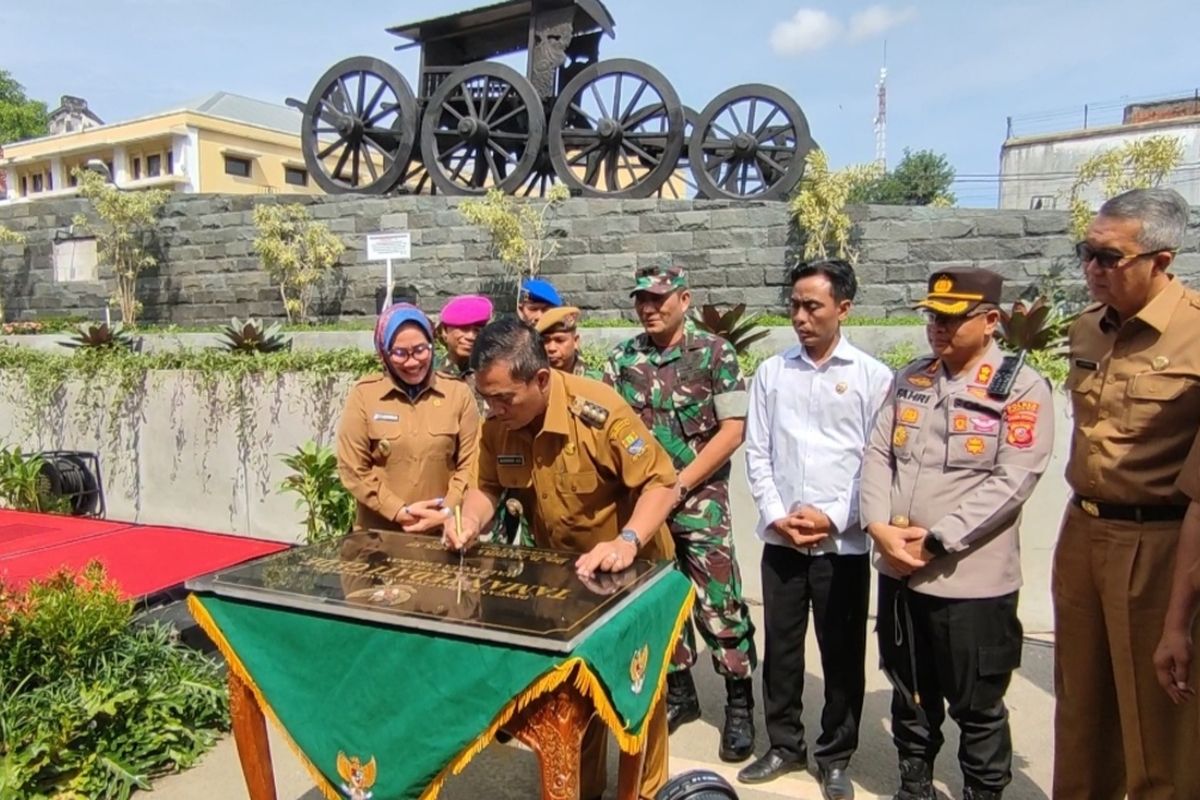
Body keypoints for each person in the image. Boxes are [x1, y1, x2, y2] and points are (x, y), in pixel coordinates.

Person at [443, 317, 679, 800]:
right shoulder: (499, 428)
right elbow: (488, 488)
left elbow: (662, 482)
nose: (495, 408)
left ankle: (648, 793)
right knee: (575, 698)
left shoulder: (598, 412)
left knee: (639, 696)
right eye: (487, 398)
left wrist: (627, 540)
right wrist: (468, 522)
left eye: (505, 397)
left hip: (633, 571)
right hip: (566, 581)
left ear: (541, 379)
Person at [860, 267, 1054, 800]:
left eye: (953, 318)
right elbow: (877, 455)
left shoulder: (1019, 386)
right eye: (933, 318)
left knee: (978, 703)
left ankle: (982, 791)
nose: (938, 329)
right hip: (900, 571)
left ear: (991, 321)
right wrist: (879, 527)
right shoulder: (912, 378)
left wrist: (938, 539)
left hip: (970, 581)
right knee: (910, 691)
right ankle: (914, 785)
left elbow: (1016, 478)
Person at [1053, 187, 1200, 800]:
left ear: (1161, 261)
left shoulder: (1196, 334)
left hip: (1160, 544)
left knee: (1157, 723)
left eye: (1109, 258)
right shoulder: (1086, 330)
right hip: (1083, 531)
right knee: (1081, 710)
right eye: (1086, 253)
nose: (1092, 268)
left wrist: (1180, 613)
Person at [738, 260, 891, 799]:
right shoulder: (772, 373)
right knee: (780, 648)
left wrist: (835, 516)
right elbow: (758, 452)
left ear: (843, 309)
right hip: (782, 540)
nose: (800, 317)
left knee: (841, 652)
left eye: (813, 306)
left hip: (842, 545)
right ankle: (783, 744)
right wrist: (779, 513)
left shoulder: (873, 377)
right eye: (795, 305)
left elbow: (878, 463)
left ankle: (834, 755)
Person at [603, 264, 757, 763]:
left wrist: (681, 483)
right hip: (645, 505)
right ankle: (681, 692)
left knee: (719, 601)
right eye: (641, 301)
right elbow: (609, 429)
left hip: (700, 502)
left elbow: (732, 430)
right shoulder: (622, 359)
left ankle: (738, 702)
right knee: (661, 601)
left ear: (684, 300)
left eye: (659, 299)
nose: (649, 308)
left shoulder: (715, 354)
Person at [336, 303, 479, 534]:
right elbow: (353, 468)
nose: (412, 362)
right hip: (379, 538)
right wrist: (399, 511)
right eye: (400, 353)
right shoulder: (364, 395)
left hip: (444, 533)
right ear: (384, 352)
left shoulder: (457, 393)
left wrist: (446, 510)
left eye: (421, 349)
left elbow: (472, 463)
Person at [437, 294, 493, 382]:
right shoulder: (431, 374)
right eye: (463, 328)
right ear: (444, 331)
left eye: (477, 330)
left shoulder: (491, 372)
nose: (471, 336)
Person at [535, 305, 601, 378]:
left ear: (576, 341)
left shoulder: (596, 380)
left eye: (559, 340)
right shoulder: (533, 380)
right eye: (545, 341)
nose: (551, 348)